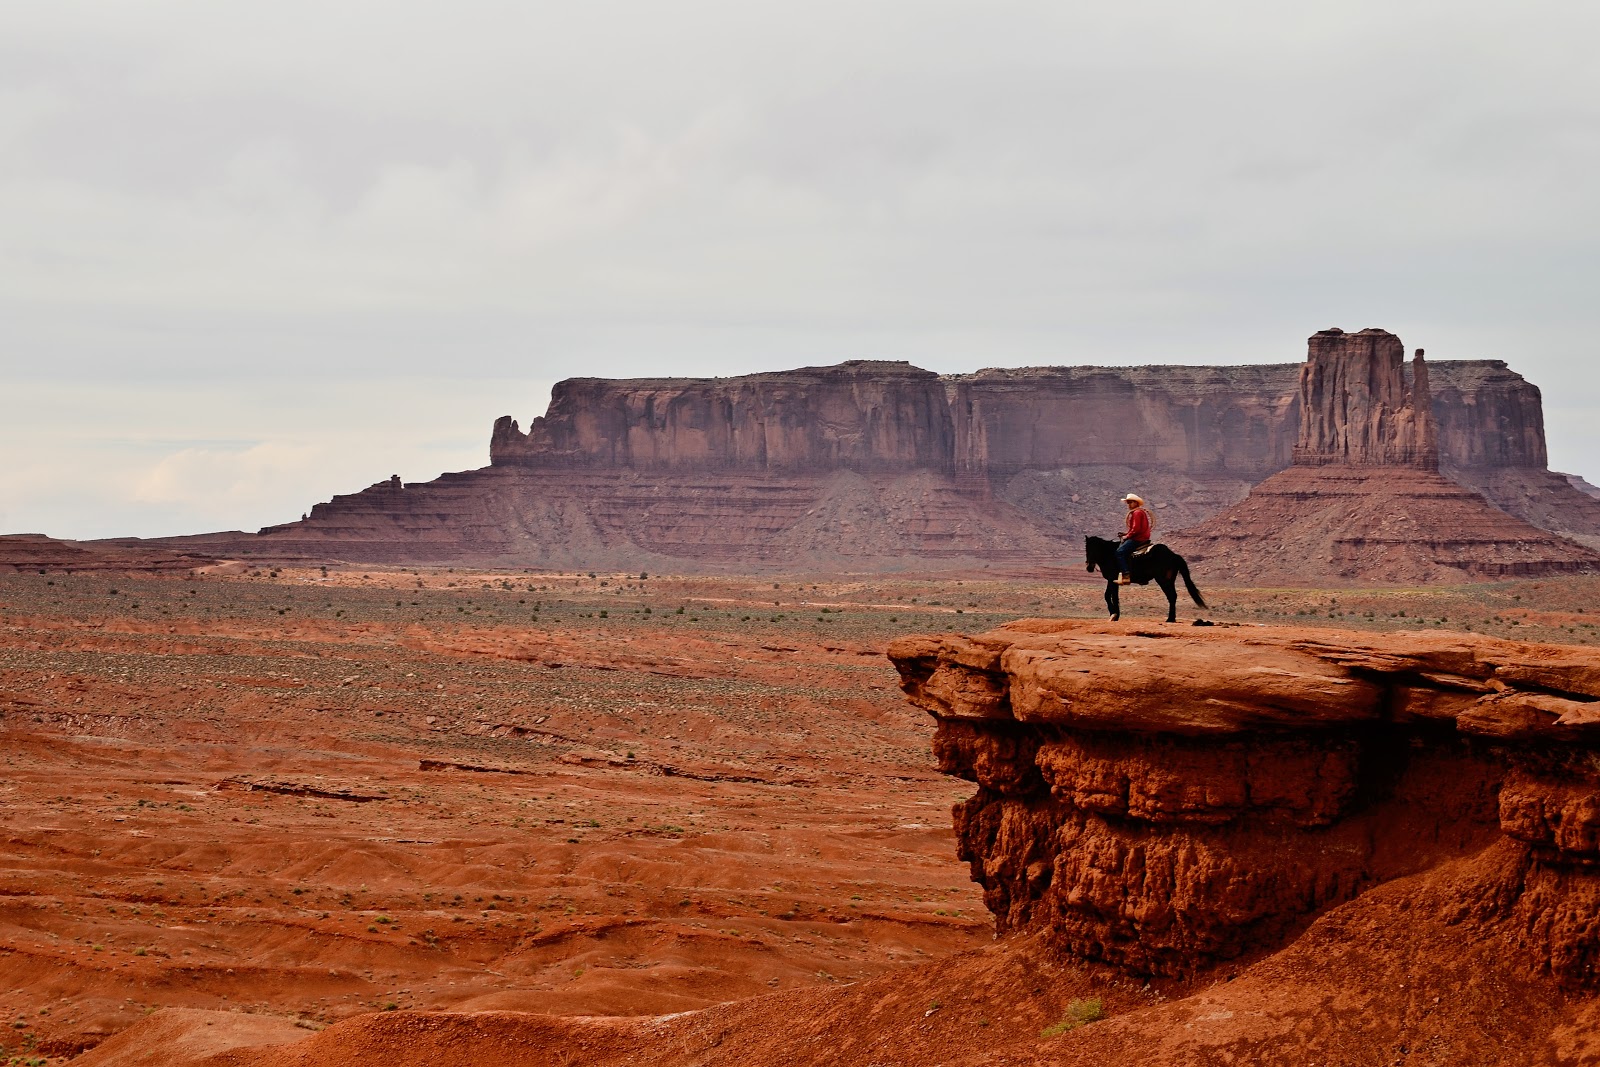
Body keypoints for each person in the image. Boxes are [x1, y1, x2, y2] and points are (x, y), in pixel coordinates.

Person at [1115, 493, 1153, 585]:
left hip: (1138, 539)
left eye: (1130, 502)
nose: (1128, 505)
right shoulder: (1140, 512)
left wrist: (1127, 536)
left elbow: (1136, 529)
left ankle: (1126, 575)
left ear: (1136, 503)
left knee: (1119, 552)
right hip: (1142, 537)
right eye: (1128, 503)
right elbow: (1135, 529)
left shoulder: (1137, 513)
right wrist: (1126, 533)